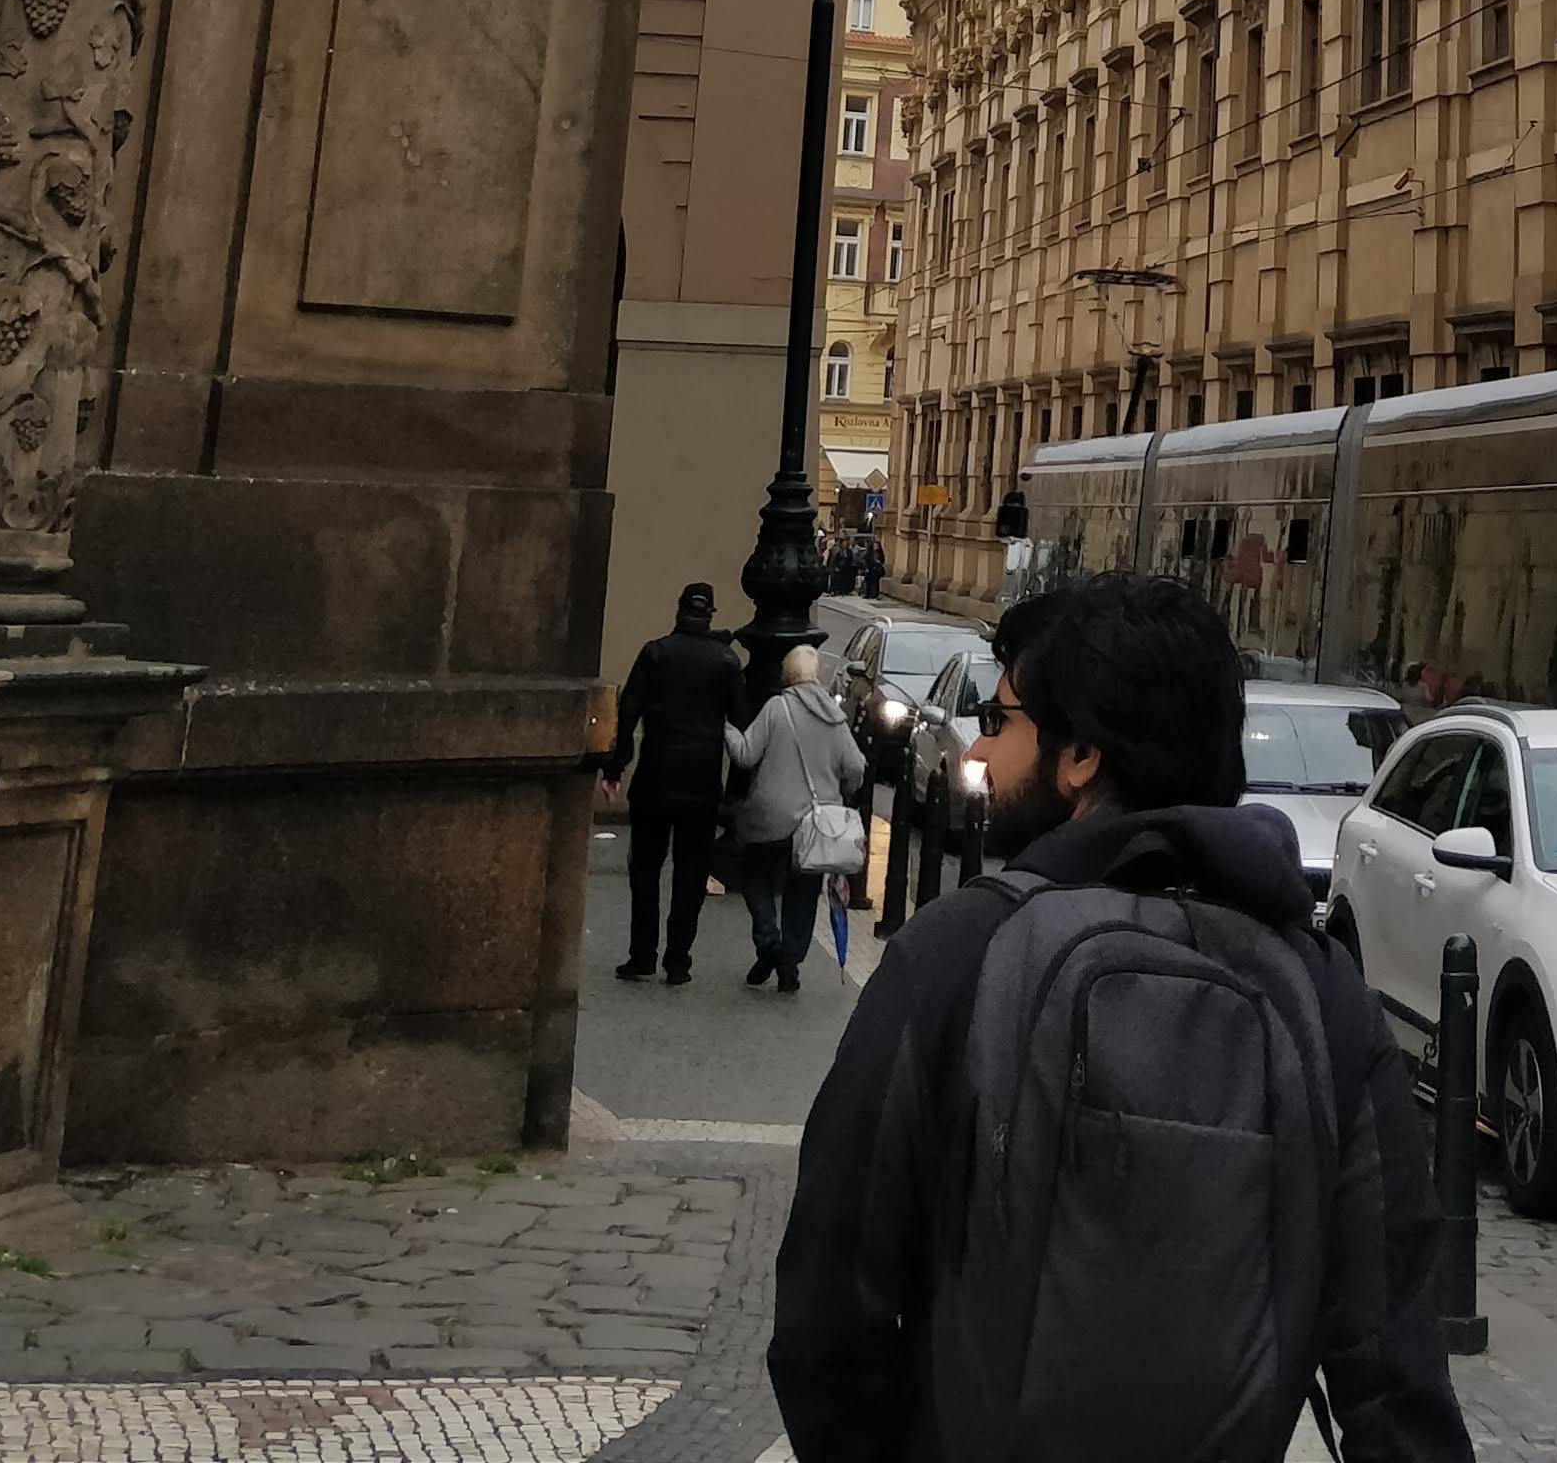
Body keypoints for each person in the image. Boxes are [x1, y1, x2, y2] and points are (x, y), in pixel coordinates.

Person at [769, 570, 1473, 1463]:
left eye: (1003, 720)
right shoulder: (1324, 993)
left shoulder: (954, 956)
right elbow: (1394, 1362)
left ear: (1081, 757)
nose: (981, 754)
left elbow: (829, 1301)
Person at [608, 580, 746, 986]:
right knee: (691, 872)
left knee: (646, 868)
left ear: (679, 611)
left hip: (655, 775)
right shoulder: (725, 662)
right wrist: (735, 789)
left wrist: (616, 767)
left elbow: (628, 710)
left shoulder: (655, 653)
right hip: (701, 781)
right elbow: (741, 728)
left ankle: (641, 954)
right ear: (709, 616)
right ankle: (678, 959)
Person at [728, 643, 867, 998]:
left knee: (754, 877)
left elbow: (745, 755)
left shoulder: (777, 708)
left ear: (786, 675)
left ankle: (768, 940)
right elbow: (856, 768)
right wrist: (841, 789)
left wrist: (724, 728)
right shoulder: (836, 718)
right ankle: (789, 964)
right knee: (802, 895)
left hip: (769, 819)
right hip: (814, 827)